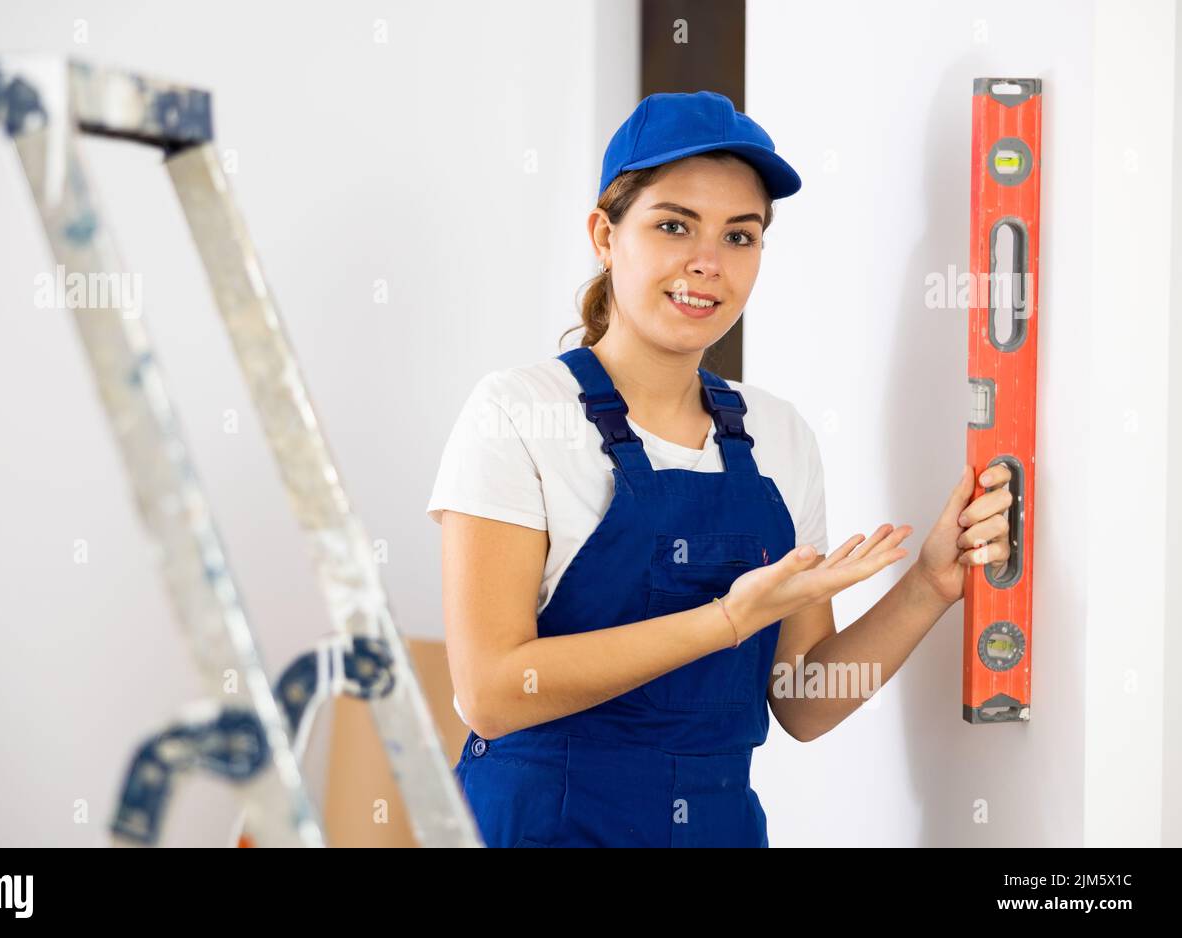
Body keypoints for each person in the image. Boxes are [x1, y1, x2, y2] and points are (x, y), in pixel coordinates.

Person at [426, 91, 1013, 847]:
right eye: (674, 225)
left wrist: (929, 585)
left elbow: (803, 702)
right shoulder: (518, 413)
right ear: (605, 235)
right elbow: (492, 692)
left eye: (741, 236)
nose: (708, 263)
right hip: (541, 825)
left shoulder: (778, 434)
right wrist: (729, 620)